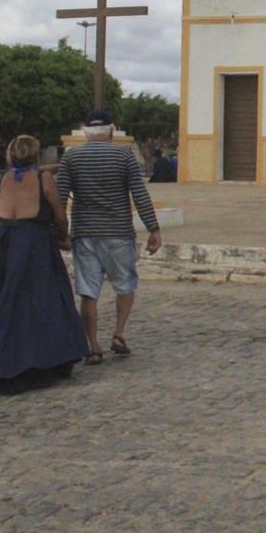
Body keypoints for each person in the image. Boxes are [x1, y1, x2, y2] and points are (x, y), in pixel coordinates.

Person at [56, 110, 162, 365]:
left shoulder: (72, 157)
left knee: (88, 292)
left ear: (85, 132)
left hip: (84, 233)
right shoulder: (124, 155)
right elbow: (139, 193)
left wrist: (60, 233)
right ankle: (119, 333)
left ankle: (93, 345)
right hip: (118, 233)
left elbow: (59, 197)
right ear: (112, 131)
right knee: (125, 284)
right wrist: (153, 228)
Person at [0, 135, 90, 395]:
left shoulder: (5, 177)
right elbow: (60, 215)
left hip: (3, 241)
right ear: (35, 154)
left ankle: (11, 360)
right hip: (32, 242)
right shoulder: (43, 179)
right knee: (44, 301)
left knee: (9, 303)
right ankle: (43, 361)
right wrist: (63, 237)